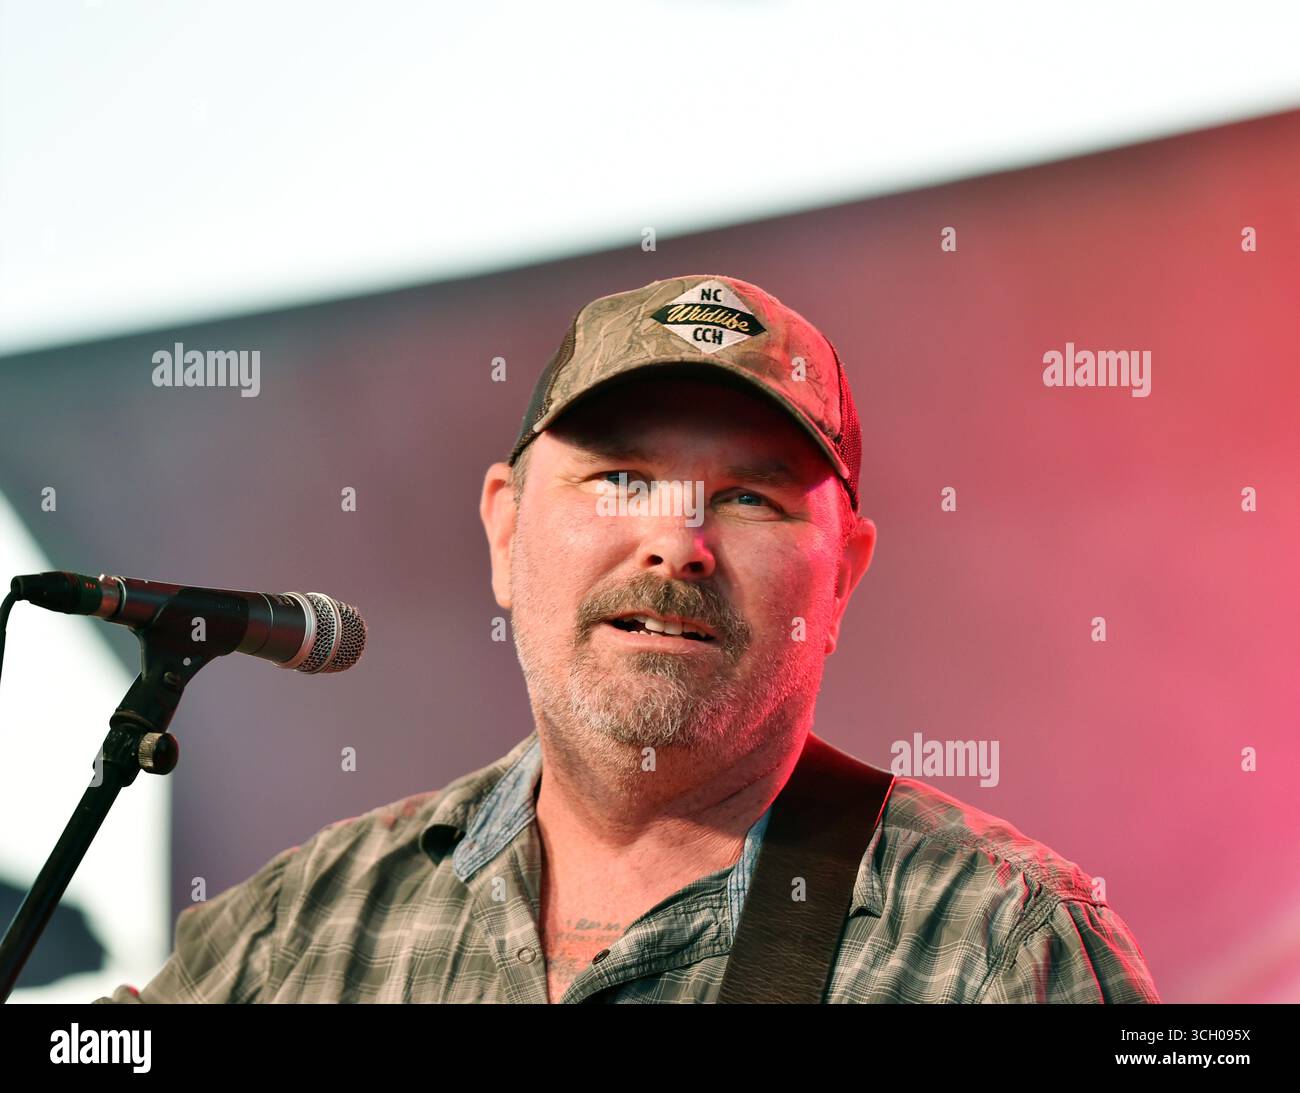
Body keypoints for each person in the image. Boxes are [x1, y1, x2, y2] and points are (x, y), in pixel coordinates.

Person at [94, 274, 1160, 1003]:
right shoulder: (305, 929)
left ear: (841, 576)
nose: (676, 543)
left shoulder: (996, 945)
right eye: (621, 480)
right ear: (507, 529)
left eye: (748, 497)